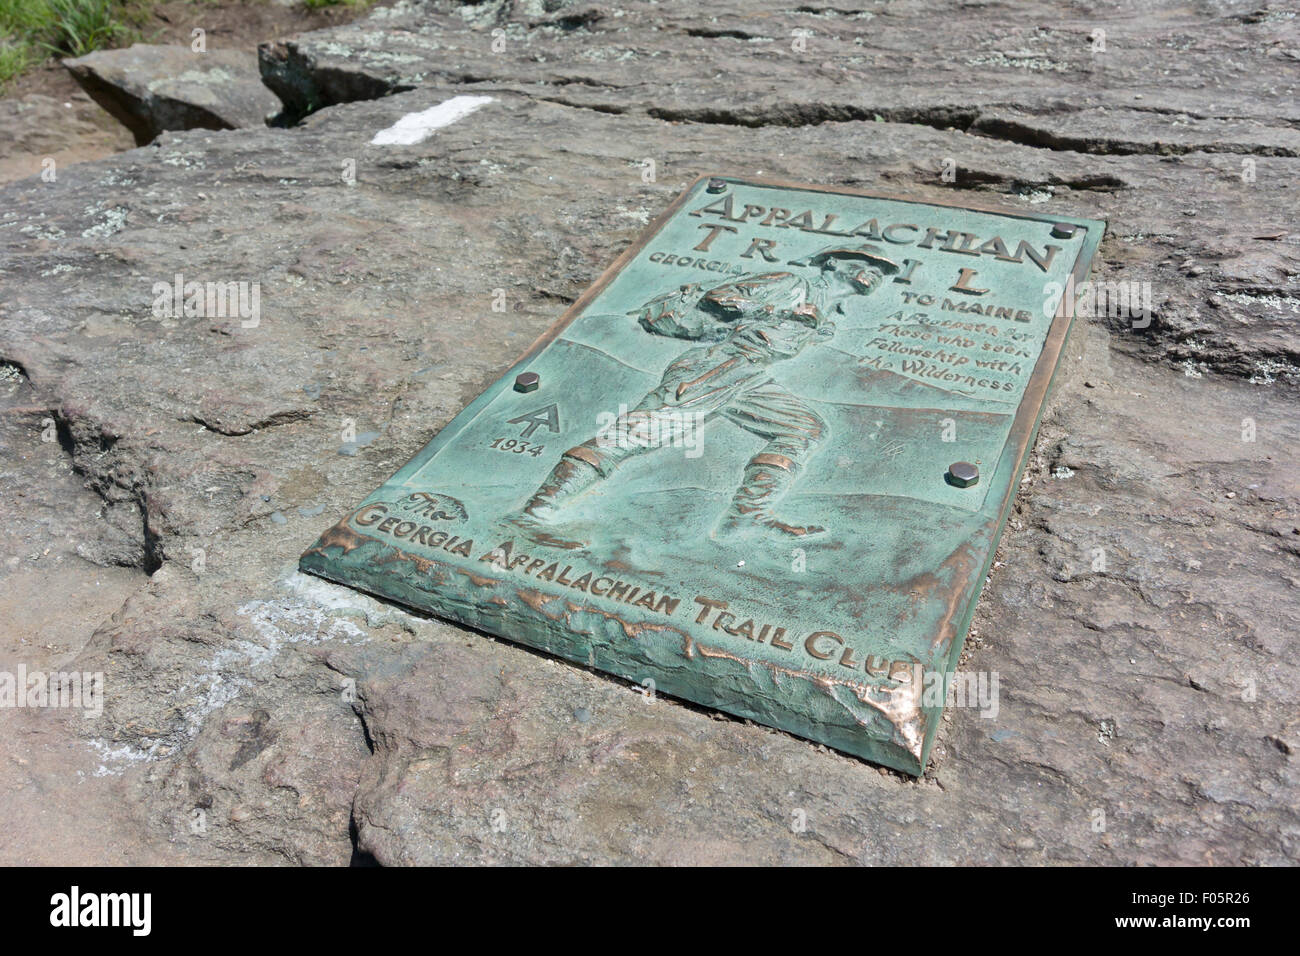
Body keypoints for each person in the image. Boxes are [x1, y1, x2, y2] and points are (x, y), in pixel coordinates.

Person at [518, 243, 900, 540]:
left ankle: (746, 519)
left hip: (748, 375)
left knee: (803, 429)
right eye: (860, 263)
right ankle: (534, 514)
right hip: (715, 366)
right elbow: (720, 298)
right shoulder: (792, 284)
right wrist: (777, 313)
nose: (870, 273)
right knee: (632, 436)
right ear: (831, 263)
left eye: (879, 272)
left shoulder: (828, 311)